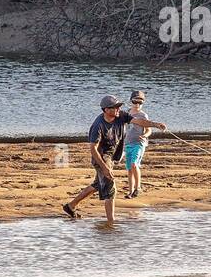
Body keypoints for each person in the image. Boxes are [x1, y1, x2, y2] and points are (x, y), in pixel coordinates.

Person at [63, 94, 166, 222]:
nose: (118, 109)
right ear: (106, 110)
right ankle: (111, 223)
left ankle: (70, 206)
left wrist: (155, 124)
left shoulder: (121, 115)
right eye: (115, 107)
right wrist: (104, 167)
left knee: (97, 185)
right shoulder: (98, 125)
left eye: (118, 106)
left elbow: (138, 121)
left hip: (111, 156)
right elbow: (93, 149)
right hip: (100, 157)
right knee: (110, 188)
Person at [122, 90, 155, 199]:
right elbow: (123, 128)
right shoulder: (127, 113)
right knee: (129, 168)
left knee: (134, 164)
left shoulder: (143, 115)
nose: (137, 105)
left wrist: (144, 135)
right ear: (131, 101)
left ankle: (138, 188)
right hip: (127, 143)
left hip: (139, 143)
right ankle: (130, 192)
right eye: (135, 102)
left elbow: (149, 130)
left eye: (140, 103)